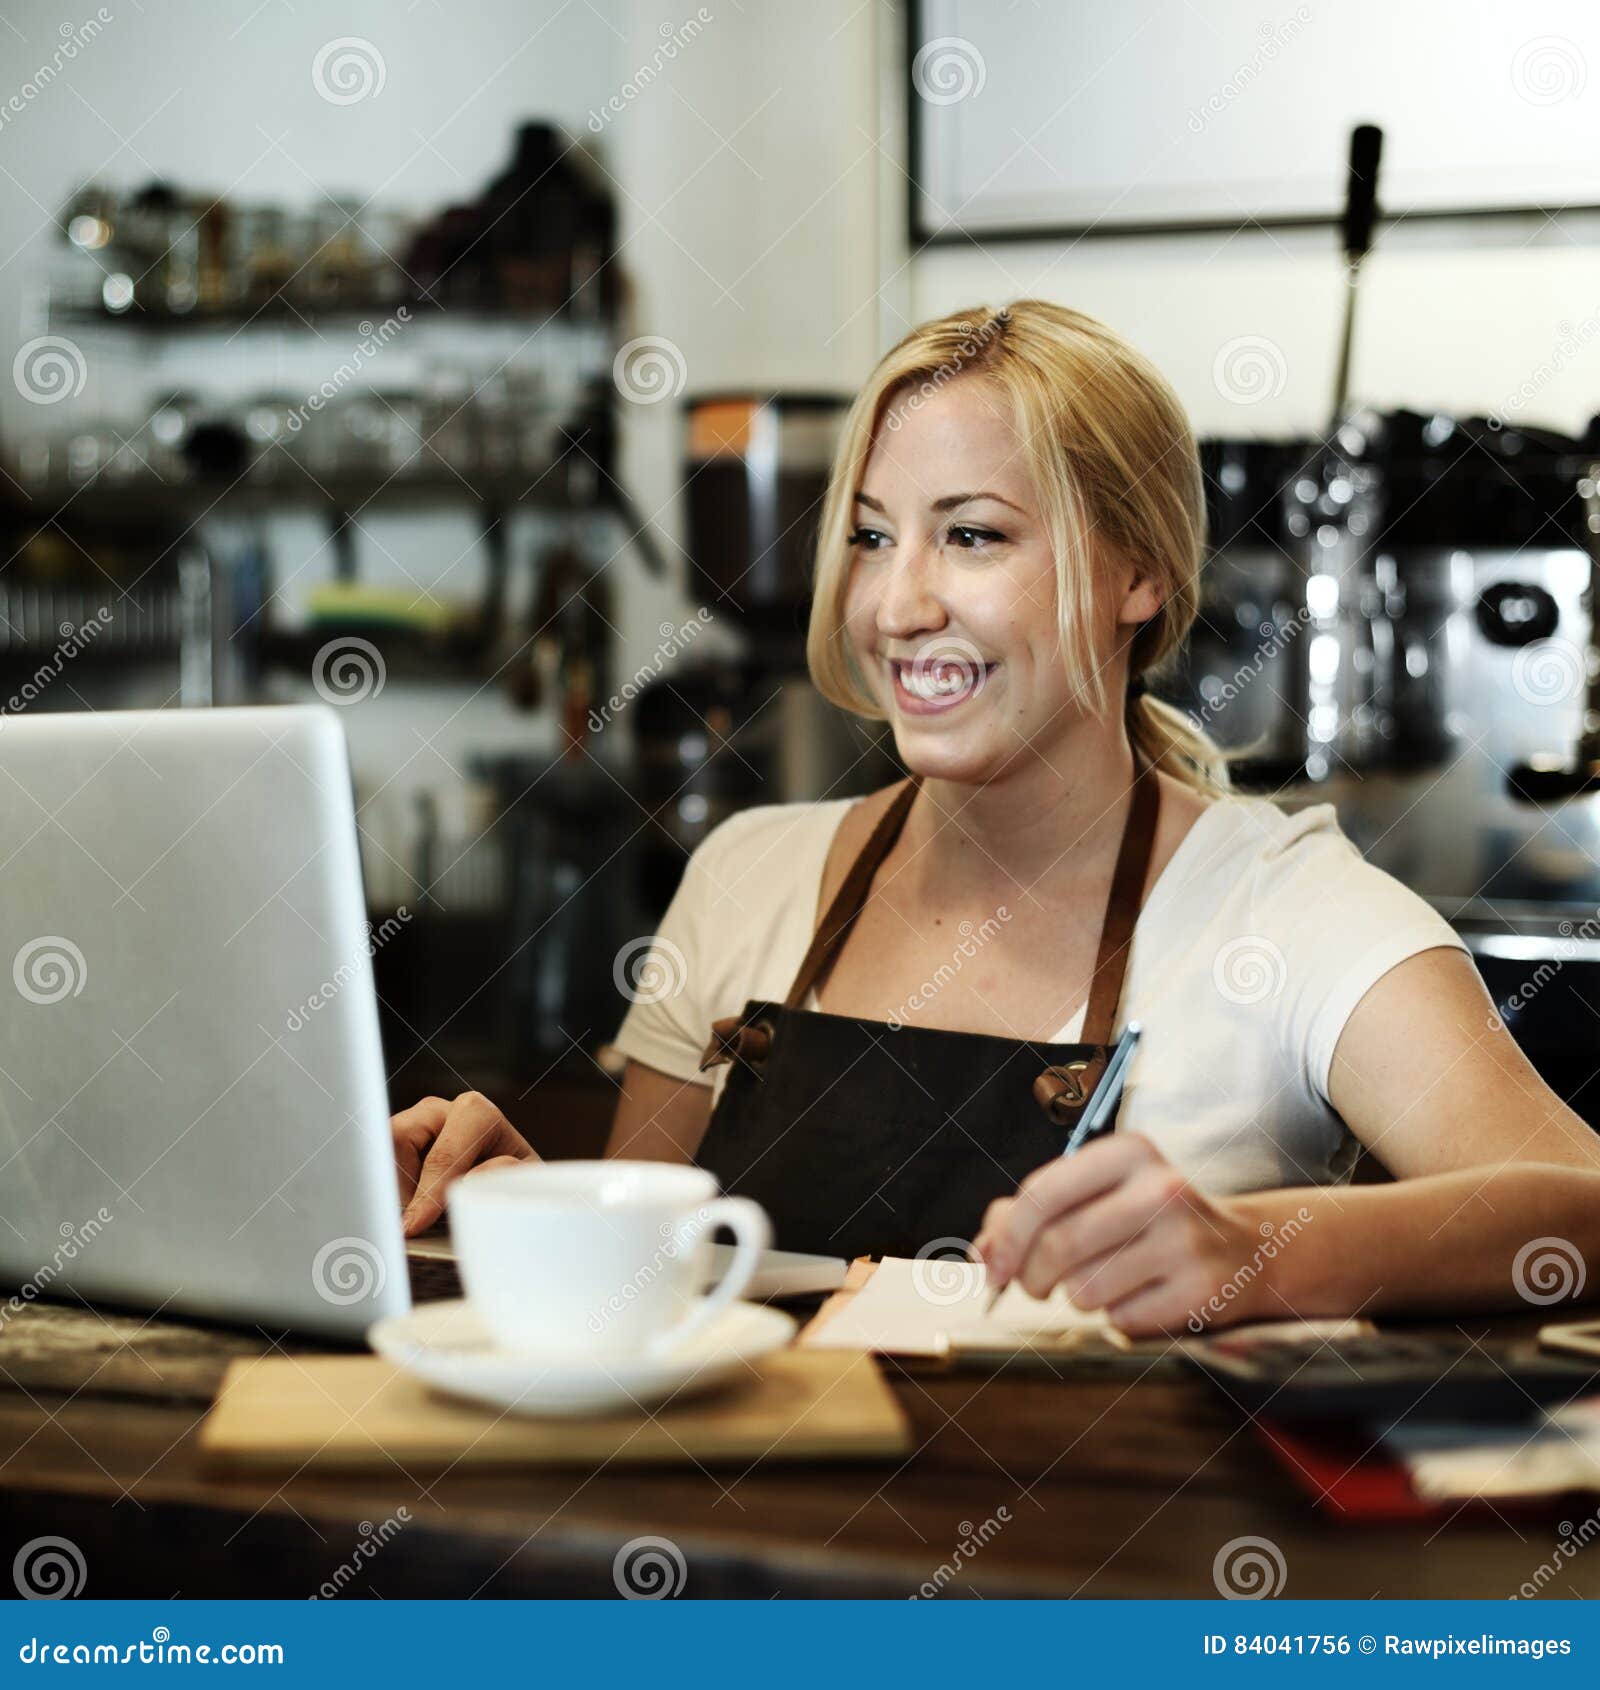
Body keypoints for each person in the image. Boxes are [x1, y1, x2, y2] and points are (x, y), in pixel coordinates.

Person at [392, 298, 1600, 1335]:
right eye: (871, 536)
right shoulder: (746, 876)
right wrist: (521, 1206)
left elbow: (1581, 1209)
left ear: (1140, 575)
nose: (899, 602)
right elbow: (652, 1292)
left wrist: (1260, 1253)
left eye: (971, 535)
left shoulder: (1289, 910)